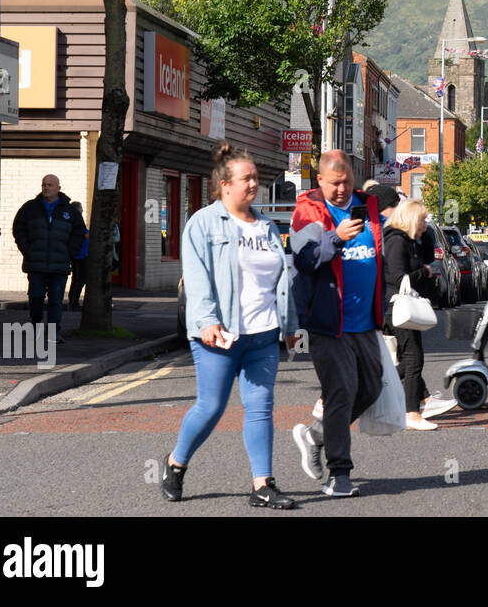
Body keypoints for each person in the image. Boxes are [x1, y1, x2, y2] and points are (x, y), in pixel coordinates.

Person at [161, 143, 300, 509]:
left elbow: (281, 280)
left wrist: (290, 324)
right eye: (246, 178)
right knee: (211, 407)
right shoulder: (203, 224)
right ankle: (176, 463)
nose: (253, 183)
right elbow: (196, 277)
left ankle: (262, 484)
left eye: (256, 177)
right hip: (220, 335)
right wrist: (206, 321)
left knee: (261, 407)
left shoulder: (267, 226)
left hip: (264, 334)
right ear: (225, 185)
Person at [289, 150, 388, 498]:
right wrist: (336, 238)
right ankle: (339, 475)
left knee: (372, 388)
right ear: (320, 180)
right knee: (341, 392)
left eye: (347, 181)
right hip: (328, 321)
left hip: (365, 321)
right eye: (334, 183)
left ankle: (315, 435)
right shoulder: (308, 211)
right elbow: (304, 261)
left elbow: (379, 253)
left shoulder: (369, 206)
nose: (342, 189)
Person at [381, 198, 456, 431]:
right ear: (411, 219)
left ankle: (377, 387)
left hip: (406, 305)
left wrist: (424, 237)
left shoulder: (409, 240)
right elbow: (396, 277)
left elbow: (428, 257)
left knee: (412, 358)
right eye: (422, 219)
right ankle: (411, 413)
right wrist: (423, 273)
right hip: (397, 306)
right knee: (413, 357)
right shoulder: (395, 241)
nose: (425, 223)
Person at [12, 174, 84, 342]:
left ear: (58, 188)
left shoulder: (70, 211)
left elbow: (79, 232)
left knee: (56, 300)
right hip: (35, 263)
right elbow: (19, 229)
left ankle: (53, 333)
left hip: (60, 264)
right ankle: (36, 328)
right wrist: (27, 250)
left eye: (50, 185)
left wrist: (69, 253)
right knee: (35, 297)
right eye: (44, 184)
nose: (46, 188)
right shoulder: (30, 208)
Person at [67, 201, 88, 311]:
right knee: (80, 279)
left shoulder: (72, 219)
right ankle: (73, 302)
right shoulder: (76, 220)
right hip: (80, 255)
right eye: (81, 208)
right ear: (77, 209)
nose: (83, 210)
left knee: (76, 279)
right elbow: (83, 234)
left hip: (79, 254)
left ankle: (73, 301)